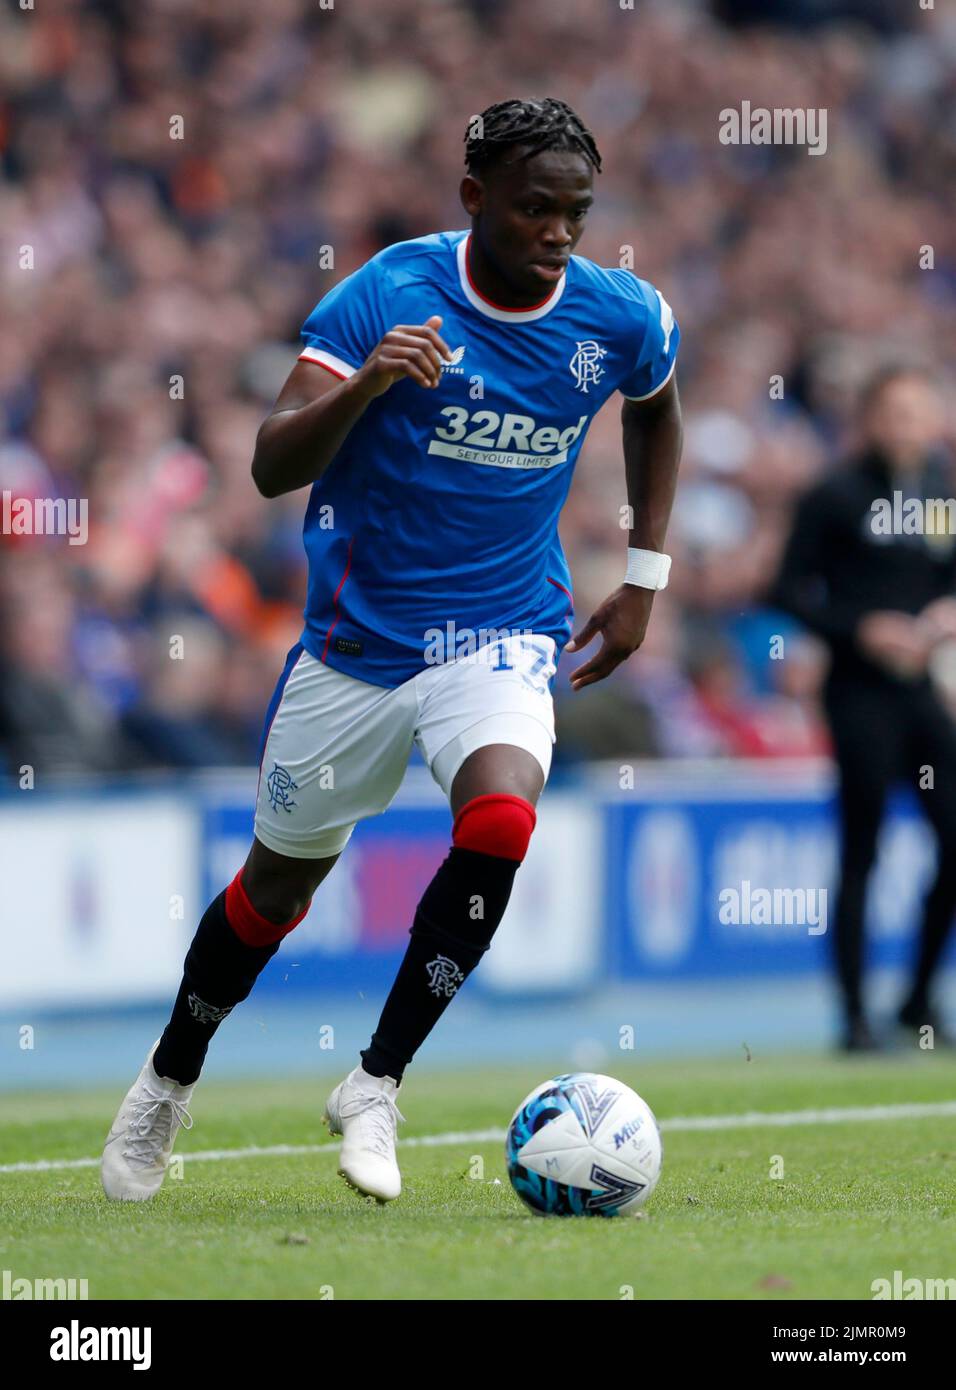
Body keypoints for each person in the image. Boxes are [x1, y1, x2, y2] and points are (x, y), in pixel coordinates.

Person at [101, 97, 683, 1202]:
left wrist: (643, 576)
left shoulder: (619, 316)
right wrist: (369, 381)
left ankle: (375, 1082)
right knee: (274, 890)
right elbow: (273, 465)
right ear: (473, 200)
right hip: (355, 650)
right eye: (532, 209)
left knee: (502, 816)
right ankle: (170, 1076)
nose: (557, 231)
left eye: (574, 212)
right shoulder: (387, 294)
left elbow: (656, 406)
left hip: (503, 633)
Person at [770, 366, 956, 1051]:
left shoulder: (940, 492)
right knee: (862, 848)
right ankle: (852, 1016)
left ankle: (915, 998)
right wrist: (861, 628)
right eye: (895, 413)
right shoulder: (835, 494)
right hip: (858, 691)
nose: (908, 427)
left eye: (920, 412)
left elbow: (947, 574)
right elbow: (787, 589)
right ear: (871, 419)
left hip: (923, 691)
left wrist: (944, 612)